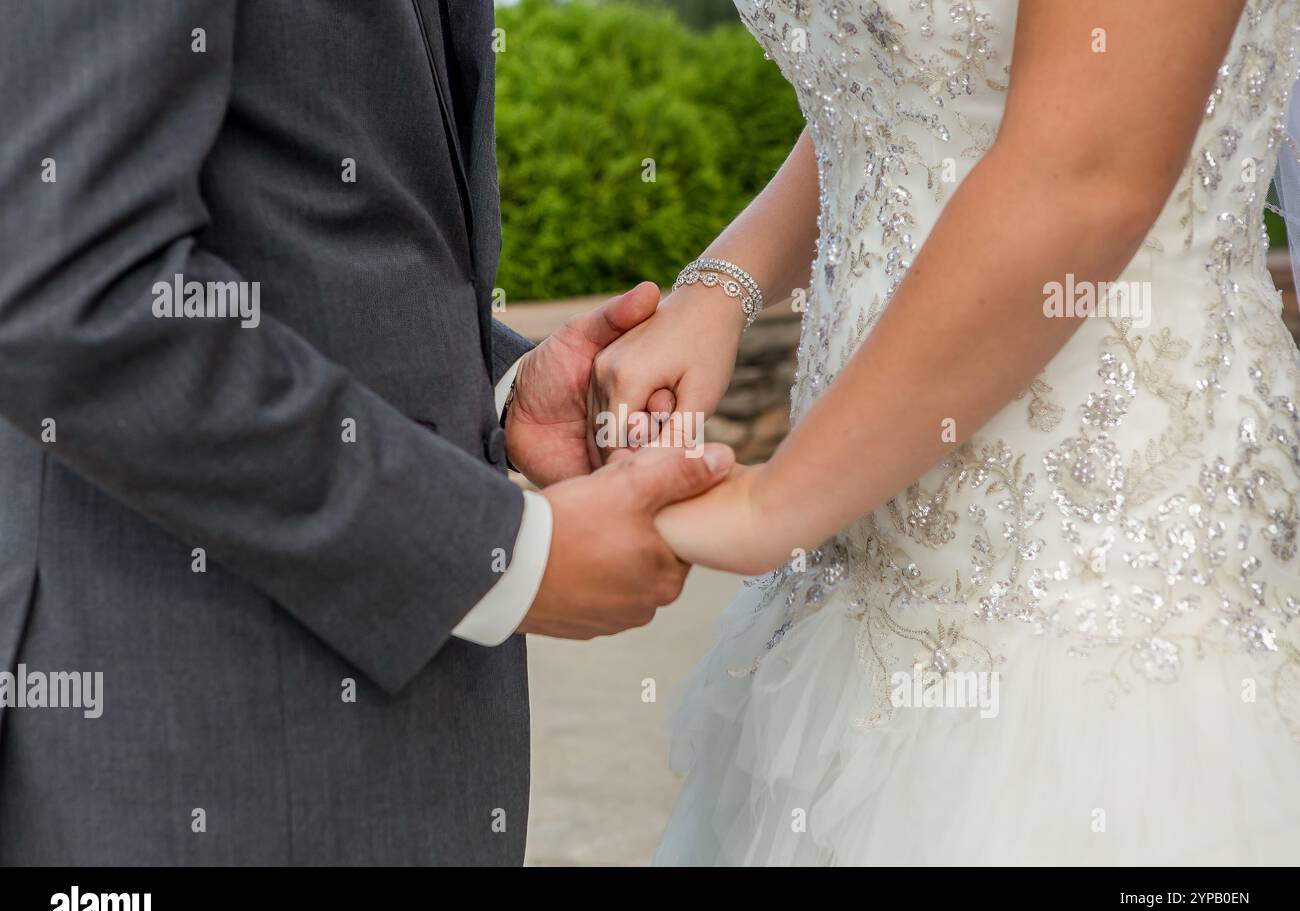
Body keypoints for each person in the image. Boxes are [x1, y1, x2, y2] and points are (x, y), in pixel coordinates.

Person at [0, 0, 731, 865]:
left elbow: (302, 217)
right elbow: (74, 287)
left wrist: (498, 386)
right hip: (195, 731)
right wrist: (497, 553)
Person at [591, 0, 1300, 864]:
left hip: (1101, 560)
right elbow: (922, 83)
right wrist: (724, 284)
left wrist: (773, 507)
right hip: (861, 562)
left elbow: (1092, 169)